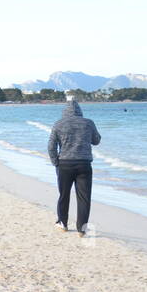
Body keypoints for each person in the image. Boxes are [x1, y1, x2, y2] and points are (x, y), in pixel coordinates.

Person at [48, 99, 101, 235]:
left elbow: (51, 146)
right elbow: (96, 141)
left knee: (64, 195)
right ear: (80, 111)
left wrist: (56, 163)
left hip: (64, 164)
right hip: (84, 164)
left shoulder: (58, 124)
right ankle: (82, 229)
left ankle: (63, 223)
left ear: (64, 112)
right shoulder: (88, 123)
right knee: (84, 197)